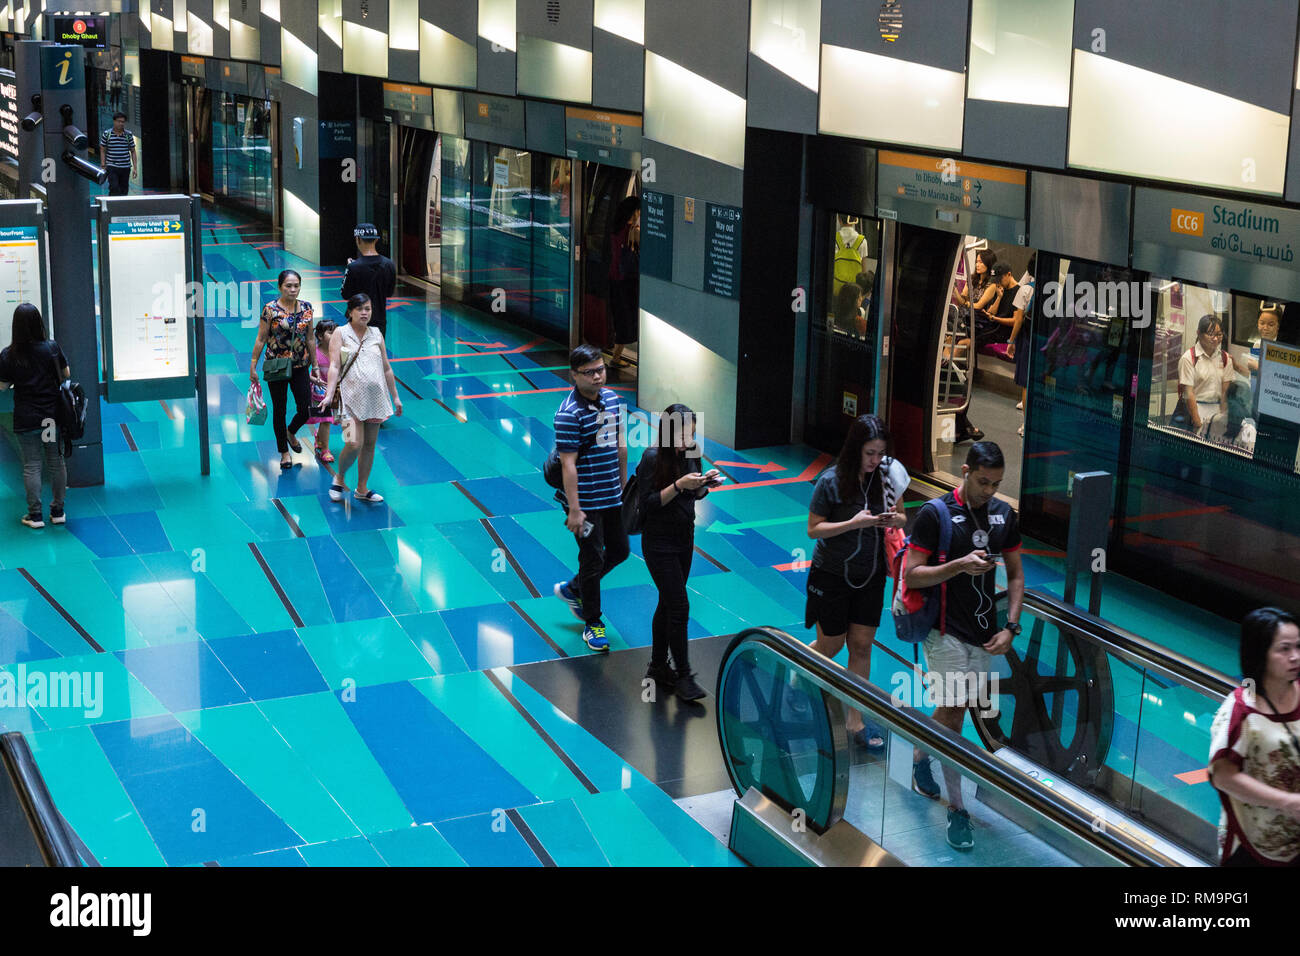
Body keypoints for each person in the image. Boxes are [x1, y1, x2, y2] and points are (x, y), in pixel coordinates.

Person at [903, 441, 1025, 850]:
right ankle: (958, 811)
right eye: (983, 481)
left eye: (996, 484)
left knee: (954, 709)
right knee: (955, 714)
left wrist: (1011, 626)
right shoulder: (935, 515)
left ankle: (920, 755)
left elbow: (1016, 575)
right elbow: (913, 575)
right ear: (966, 471)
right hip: (944, 631)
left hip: (985, 633)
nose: (989, 490)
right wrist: (958, 565)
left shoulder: (1004, 515)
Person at [807, 414, 910, 757]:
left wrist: (894, 519)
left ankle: (856, 719)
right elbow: (814, 529)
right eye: (869, 453)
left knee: (862, 645)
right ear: (855, 450)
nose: (875, 460)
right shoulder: (831, 482)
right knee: (832, 643)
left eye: (880, 453)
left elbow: (903, 515)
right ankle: (799, 666)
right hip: (832, 573)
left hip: (871, 573)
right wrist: (851, 524)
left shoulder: (886, 478)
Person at [638, 404, 720, 701]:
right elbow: (647, 503)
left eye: (692, 433)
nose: (688, 439)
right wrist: (678, 485)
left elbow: (694, 494)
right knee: (680, 605)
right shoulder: (652, 458)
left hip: (684, 538)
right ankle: (684, 674)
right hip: (658, 543)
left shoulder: (692, 453)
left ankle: (658, 666)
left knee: (668, 602)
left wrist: (704, 484)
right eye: (683, 434)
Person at [1208, 607, 1300, 866]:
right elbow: (1223, 776)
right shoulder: (1241, 711)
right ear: (1261, 653)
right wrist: (1288, 802)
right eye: (1284, 649)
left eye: (1298, 647)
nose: (1295, 657)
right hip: (1253, 844)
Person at [552, 344, 628, 652]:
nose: (597, 377)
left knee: (620, 551)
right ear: (574, 375)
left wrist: (624, 486)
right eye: (589, 372)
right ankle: (593, 622)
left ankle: (574, 588)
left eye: (600, 370)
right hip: (586, 502)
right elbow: (568, 464)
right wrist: (575, 510)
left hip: (612, 494)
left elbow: (619, 445)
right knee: (593, 558)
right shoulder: (568, 414)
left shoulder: (611, 399)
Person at [320, 294, 402, 503]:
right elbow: (335, 366)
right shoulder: (340, 333)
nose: (365, 313)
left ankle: (362, 488)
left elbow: (386, 368)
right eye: (360, 309)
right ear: (350, 312)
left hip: (376, 399)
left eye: (368, 309)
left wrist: (396, 397)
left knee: (369, 445)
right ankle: (339, 478)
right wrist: (329, 394)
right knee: (354, 442)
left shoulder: (376, 334)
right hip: (348, 400)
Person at [0, 304, 68, 528]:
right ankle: (58, 511)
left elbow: (2, 386)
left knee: (32, 465)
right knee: (55, 461)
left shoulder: (9, 354)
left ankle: (35, 515)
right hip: (49, 417)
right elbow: (66, 374)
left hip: (26, 417)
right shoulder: (51, 348)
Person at [250, 269, 317, 470]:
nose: (293, 289)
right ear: (280, 287)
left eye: (296, 285)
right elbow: (261, 338)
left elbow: (311, 338)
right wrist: (253, 364)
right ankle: (284, 452)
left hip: (300, 366)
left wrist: (316, 366)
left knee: (305, 408)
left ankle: (291, 432)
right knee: (279, 409)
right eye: (288, 285)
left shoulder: (307, 308)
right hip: (276, 366)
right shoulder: (270, 310)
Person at [1176, 314, 1234, 437]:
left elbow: (1225, 392)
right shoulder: (1189, 358)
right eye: (1210, 334)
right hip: (1195, 410)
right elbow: (1189, 393)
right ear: (1199, 333)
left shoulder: (1225, 358)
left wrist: (1223, 419)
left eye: (1219, 334)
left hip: (1216, 413)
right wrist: (1197, 422)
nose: (1215, 339)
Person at [340, 223, 397, 340]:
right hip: (380, 319)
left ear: (358, 239)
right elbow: (389, 293)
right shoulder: (389, 264)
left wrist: (350, 268)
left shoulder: (353, 267)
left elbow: (345, 294)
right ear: (376, 240)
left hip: (357, 320)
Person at [607, 196, 640, 370]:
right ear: (634, 212)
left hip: (614, 277)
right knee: (627, 320)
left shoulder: (615, 228)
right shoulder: (632, 231)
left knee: (620, 317)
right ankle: (616, 357)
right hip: (627, 280)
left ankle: (616, 355)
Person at [1008, 255, 1036, 436]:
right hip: (1043, 339)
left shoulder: (1025, 289)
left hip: (1027, 338)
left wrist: (1011, 341)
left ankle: (1026, 425)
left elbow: (1018, 320)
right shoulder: (1055, 289)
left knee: (1026, 383)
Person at [308, 318, 337, 463]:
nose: (335, 336)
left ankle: (320, 440)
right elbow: (303, 372)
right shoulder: (314, 353)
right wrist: (314, 380)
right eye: (330, 333)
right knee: (325, 420)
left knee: (328, 420)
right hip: (318, 393)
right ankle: (325, 450)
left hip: (333, 392)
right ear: (320, 336)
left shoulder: (338, 353)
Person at [99, 111, 137, 197]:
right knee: (114, 187)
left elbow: (133, 151)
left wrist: (135, 168)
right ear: (114, 121)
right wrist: (103, 164)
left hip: (125, 167)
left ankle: (122, 208)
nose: (121, 123)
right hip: (112, 166)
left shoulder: (128, 135)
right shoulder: (107, 134)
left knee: (124, 190)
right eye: (119, 121)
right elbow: (102, 149)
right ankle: (113, 207)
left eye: (123, 122)